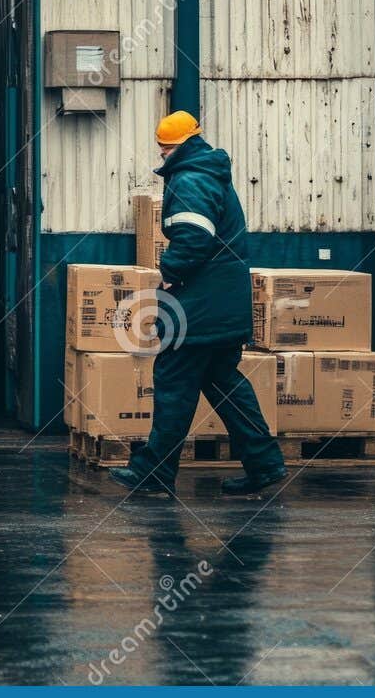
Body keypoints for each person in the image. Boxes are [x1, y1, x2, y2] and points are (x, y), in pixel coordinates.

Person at [109, 112, 288, 496]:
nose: (162, 155)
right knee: (224, 382)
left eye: (165, 149)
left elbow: (192, 239)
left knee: (174, 383)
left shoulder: (190, 179)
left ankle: (154, 471)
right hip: (221, 305)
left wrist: (170, 270)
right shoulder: (208, 172)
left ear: (177, 147)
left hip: (199, 310)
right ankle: (264, 463)